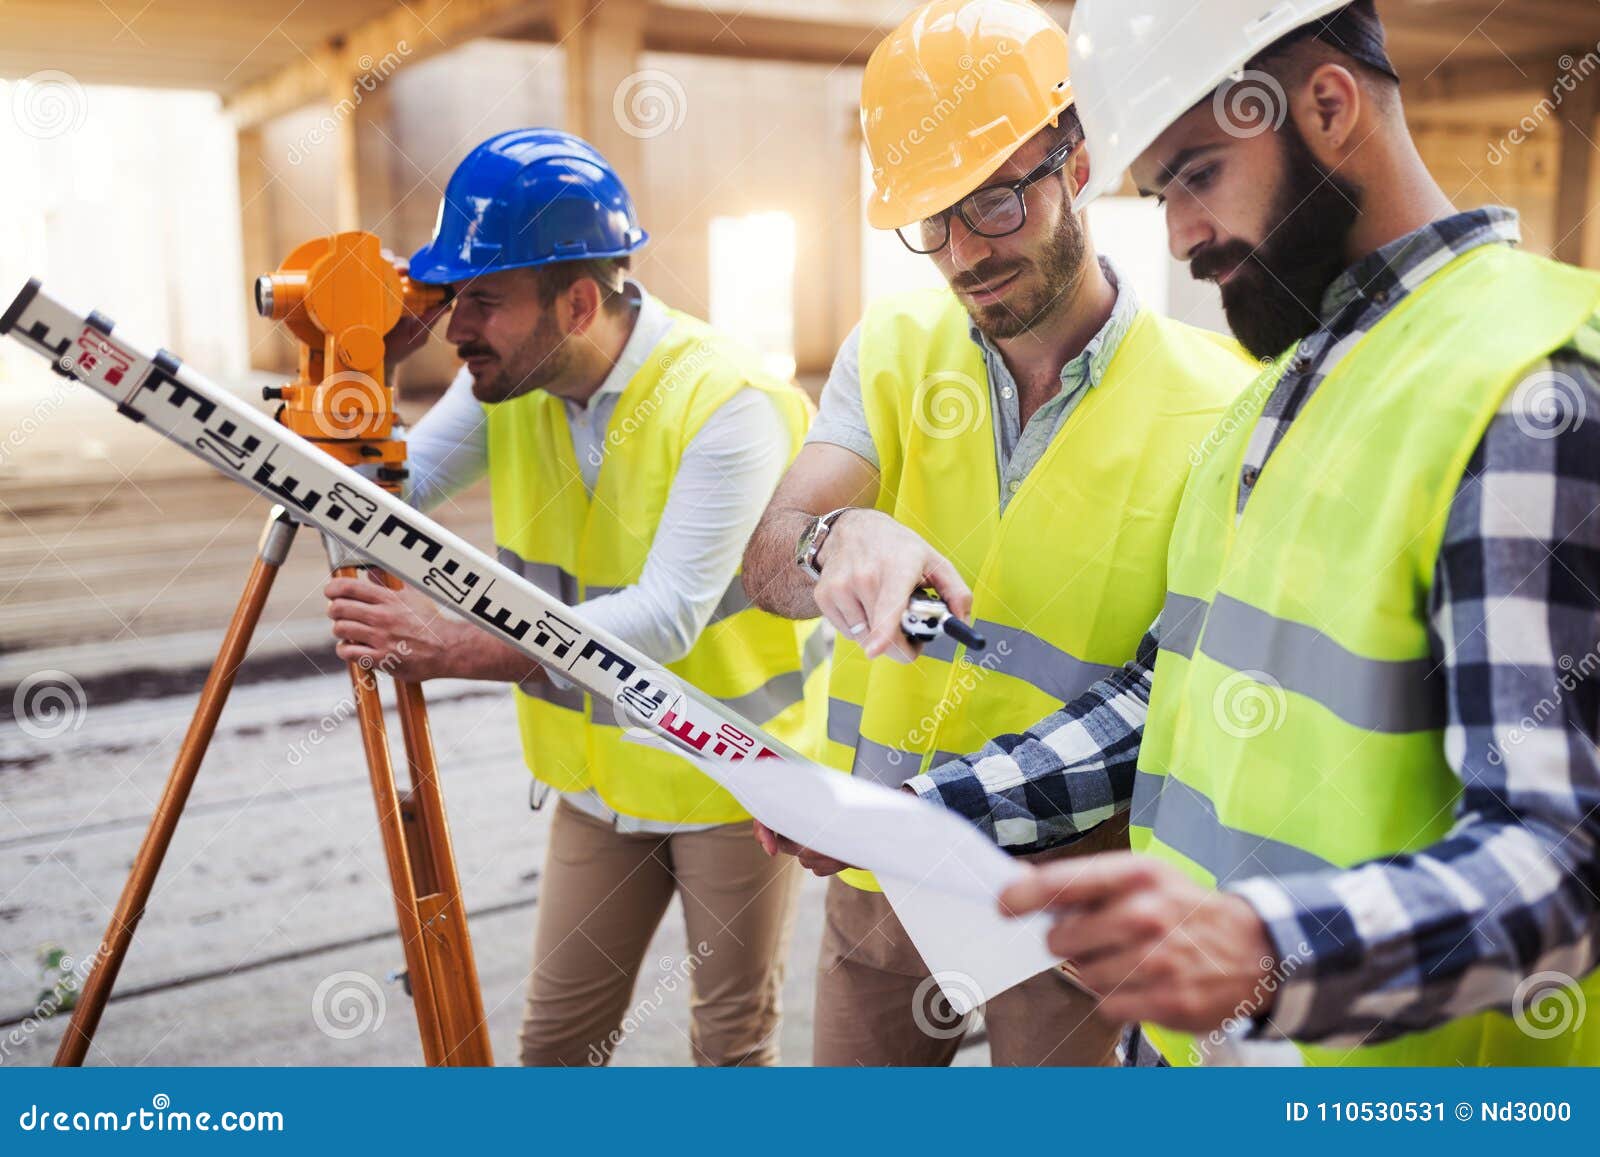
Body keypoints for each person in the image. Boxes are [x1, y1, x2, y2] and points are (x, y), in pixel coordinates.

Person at [912, 0, 1600, 1065]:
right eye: (1161, 193)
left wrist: (1272, 950)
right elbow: (1167, 692)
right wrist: (923, 812)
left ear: (1327, 106)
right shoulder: (1272, 392)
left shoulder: (1524, 394)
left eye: (1195, 175)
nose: (1181, 238)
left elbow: (1561, 855)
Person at [740, 0, 1257, 1066]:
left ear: (1076, 163)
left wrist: (921, 814)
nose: (966, 252)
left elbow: (1173, 696)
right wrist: (835, 537)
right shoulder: (890, 348)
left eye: (996, 201)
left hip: (1068, 889)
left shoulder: (1221, 406)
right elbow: (767, 557)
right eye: (931, 220)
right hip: (879, 874)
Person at [324, 129, 828, 1066]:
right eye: (452, 298)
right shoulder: (507, 386)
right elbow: (368, 509)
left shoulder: (729, 402)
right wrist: (365, 373)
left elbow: (669, 615)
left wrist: (459, 646)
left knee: (730, 1049)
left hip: (733, 781)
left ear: (580, 300)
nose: (456, 327)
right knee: (556, 1049)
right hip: (600, 783)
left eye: (483, 300)